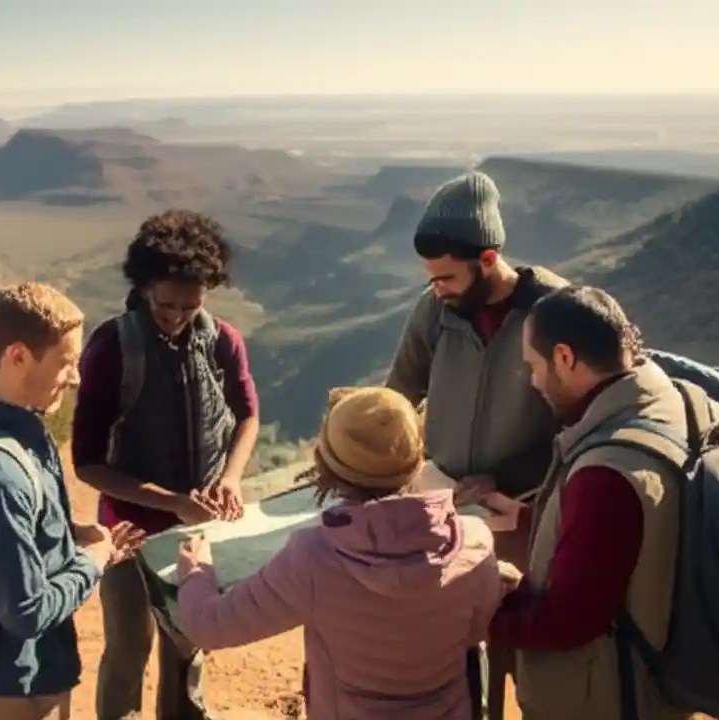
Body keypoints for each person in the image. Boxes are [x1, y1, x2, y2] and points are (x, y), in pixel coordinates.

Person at [174, 385, 514, 720]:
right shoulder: (474, 542)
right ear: (417, 461)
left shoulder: (313, 559)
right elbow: (477, 630)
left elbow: (208, 626)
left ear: (331, 470)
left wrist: (196, 572)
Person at [493, 285, 719, 719]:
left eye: (533, 367)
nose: (533, 382)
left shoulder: (606, 472)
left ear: (564, 357)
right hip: (663, 681)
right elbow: (642, 535)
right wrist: (528, 519)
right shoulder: (681, 404)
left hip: (606, 701)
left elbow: (569, 621)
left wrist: (480, 620)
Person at [384, 169, 568, 718]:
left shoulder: (557, 311)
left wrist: (523, 489)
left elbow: (587, 420)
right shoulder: (435, 309)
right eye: (431, 278)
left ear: (487, 260)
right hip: (444, 514)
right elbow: (399, 395)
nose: (436, 289)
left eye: (446, 277)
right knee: (450, 648)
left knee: (524, 656)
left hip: (527, 521)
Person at [71, 209, 261, 720]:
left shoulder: (221, 339)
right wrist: (172, 502)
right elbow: (88, 462)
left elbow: (247, 416)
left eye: (190, 306)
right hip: (128, 533)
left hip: (196, 533)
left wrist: (230, 479)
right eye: (165, 304)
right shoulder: (113, 346)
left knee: (187, 647)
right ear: (143, 287)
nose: (177, 316)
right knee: (128, 650)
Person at [0, 282, 144, 720]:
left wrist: (71, 537)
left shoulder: (12, 423)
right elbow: (26, 613)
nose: (77, 377)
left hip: (28, 668)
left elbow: (16, 533)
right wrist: (94, 560)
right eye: (66, 363)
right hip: (11, 682)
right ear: (19, 357)